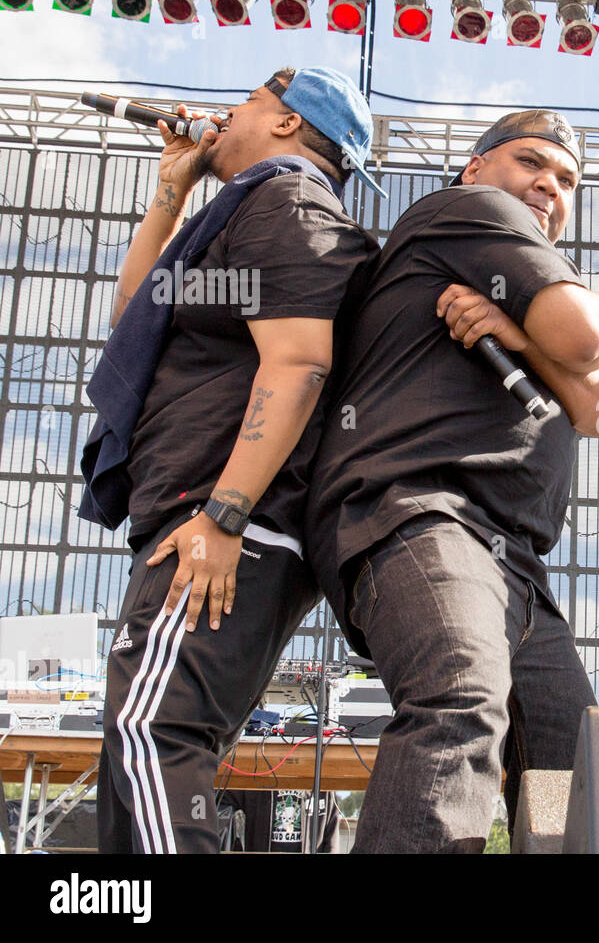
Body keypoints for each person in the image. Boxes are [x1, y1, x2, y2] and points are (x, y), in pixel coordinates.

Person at [81, 67, 381, 853]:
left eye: (248, 101)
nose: (225, 111)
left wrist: (225, 513)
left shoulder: (288, 202)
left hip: (227, 517)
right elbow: (135, 319)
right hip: (199, 512)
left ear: (287, 123)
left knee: (153, 727)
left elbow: (298, 364)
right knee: (138, 745)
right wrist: (170, 193)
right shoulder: (240, 211)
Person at [306, 110, 599, 853]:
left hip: (515, 562)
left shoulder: (520, 285)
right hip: (422, 513)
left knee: (568, 760)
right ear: (474, 169)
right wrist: (578, 328)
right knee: (459, 700)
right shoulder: (470, 212)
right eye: (529, 163)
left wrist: (516, 335)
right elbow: (587, 340)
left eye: (567, 179)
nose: (548, 184)